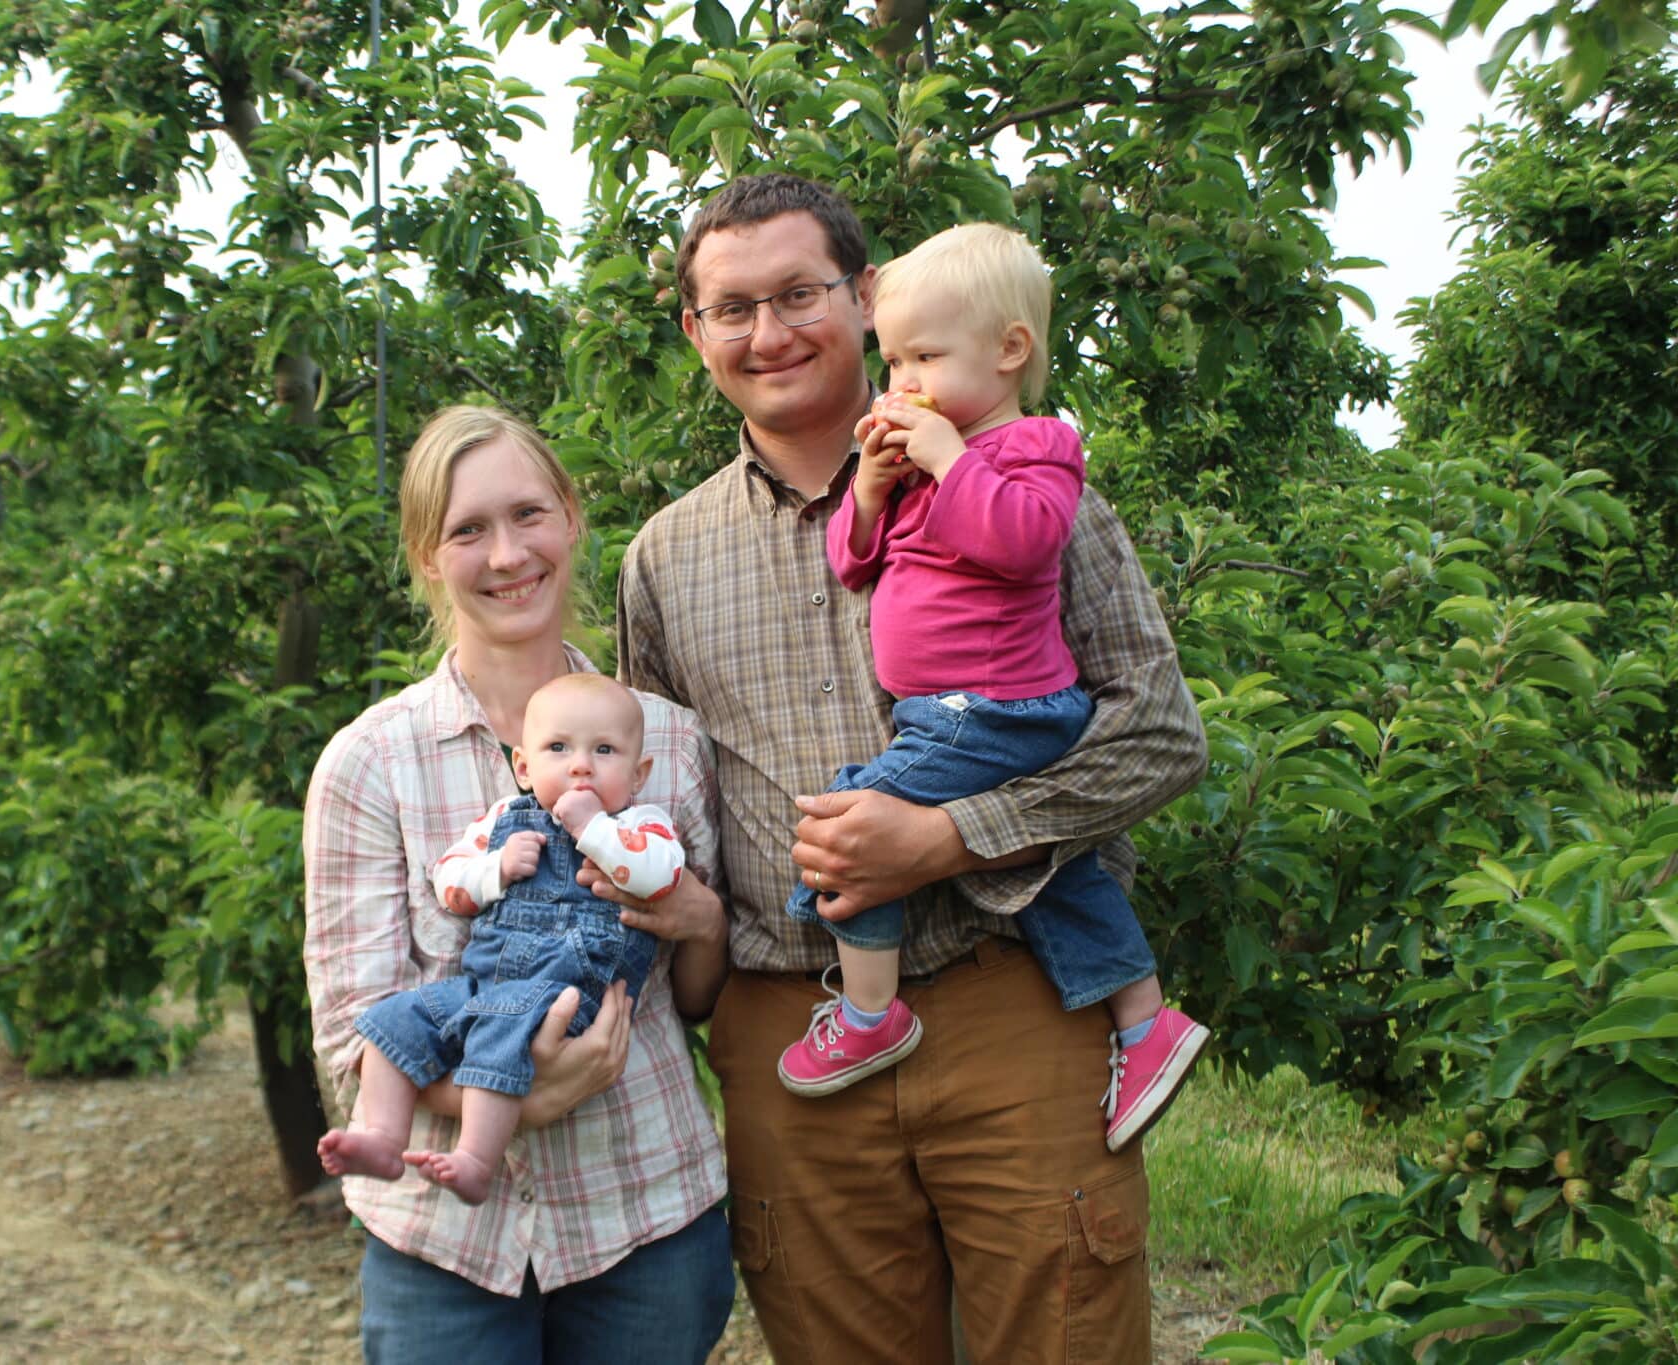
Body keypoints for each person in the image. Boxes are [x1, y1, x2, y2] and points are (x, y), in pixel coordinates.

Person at [617, 175, 1208, 1362]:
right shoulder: (665, 558)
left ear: (863, 295)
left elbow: (1157, 731)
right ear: (694, 331)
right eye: (732, 308)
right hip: (794, 1036)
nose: (769, 332)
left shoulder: (1018, 484)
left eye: (799, 293)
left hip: (1013, 998)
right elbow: (660, 808)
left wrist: (948, 838)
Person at [303, 405, 733, 1363]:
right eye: (468, 529)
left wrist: (703, 921)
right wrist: (514, 1101)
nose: (507, 554)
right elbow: (352, 1032)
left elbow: (701, 998)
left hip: (644, 1212)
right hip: (446, 1248)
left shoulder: (666, 739)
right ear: (428, 556)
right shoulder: (371, 763)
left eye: (528, 514)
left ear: (571, 517)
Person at [774, 222, 1210, 1153]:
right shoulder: (921, 471)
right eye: (894, 362)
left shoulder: (1034, 449)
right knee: (1052, 877)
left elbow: (1022, 539)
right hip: (954, 714)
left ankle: (870, 1014)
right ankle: (1144, 1020)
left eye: (925, 358)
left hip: (997, 708)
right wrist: (871, 491)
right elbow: (852, 564)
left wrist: (946, 460)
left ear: (1010, 350)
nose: (901, 384)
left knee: (851, 827)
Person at [317, 672, 689, 1205]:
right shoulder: (504, 821)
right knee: (395, 1021)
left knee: (501, 1027)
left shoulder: (642, 827)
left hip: (565, 992)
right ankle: (382, 1136)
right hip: (484, 982)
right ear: (524, 767)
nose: (581, 765)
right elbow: (450, 882)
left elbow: (657, 878)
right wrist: (496, 869)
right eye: (558, 748)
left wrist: (594, 830)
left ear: (638, 774)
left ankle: (474, 1159)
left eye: (604, 750)